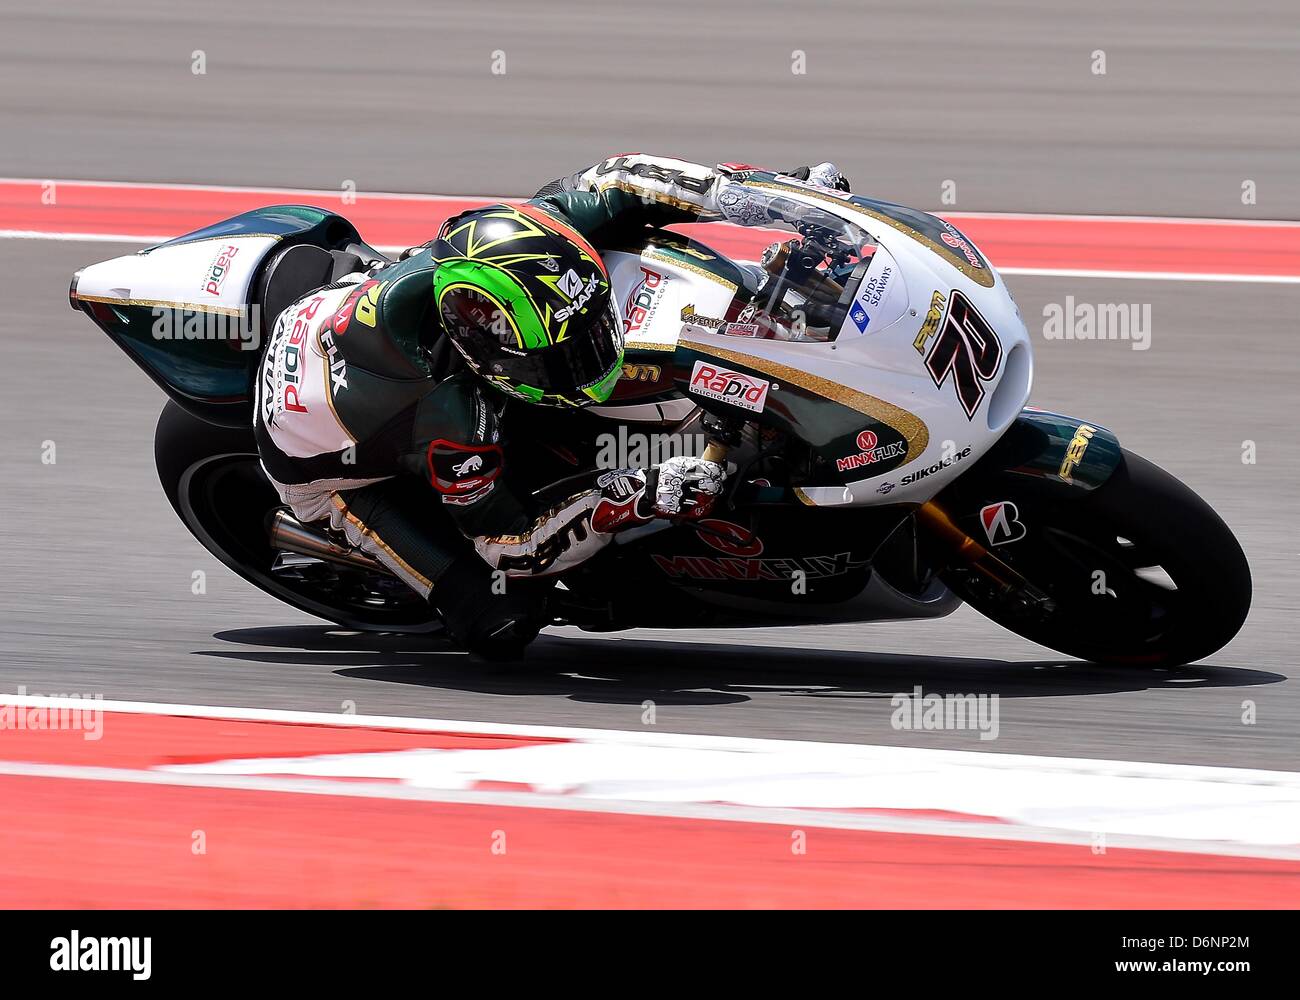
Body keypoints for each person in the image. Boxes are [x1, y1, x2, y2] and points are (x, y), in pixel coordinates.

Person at [253, 154, 849, 656]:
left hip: (348, 311)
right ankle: (335, 535)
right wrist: (635, 496)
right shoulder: (448, 412)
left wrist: (759, 196)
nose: (589, 357)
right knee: (501, 617)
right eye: (561, 356)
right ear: (485, 353)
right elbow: (509, 544)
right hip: (328, 469)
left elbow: (623, 183)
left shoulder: (517, 237)